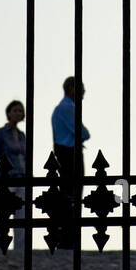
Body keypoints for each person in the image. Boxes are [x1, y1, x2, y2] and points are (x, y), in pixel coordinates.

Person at [51, 77, 89, 249]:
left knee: (71, 195)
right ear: (71, 89)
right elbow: (83, 133)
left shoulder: (67, 108)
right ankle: (68, 238)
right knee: (71, 195)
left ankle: (69, 237)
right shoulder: (66, 108)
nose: (83, 93)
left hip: (68, 153)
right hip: (68, 154)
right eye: (81, 89)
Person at [0, 101, 27, 251]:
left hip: (21, 178)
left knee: (21, 216)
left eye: (20, 111)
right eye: (15, 110)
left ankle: (20, 250)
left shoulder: (23, 135)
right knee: (3, 215)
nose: (18, 113)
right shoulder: (0, 133)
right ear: (9, 113)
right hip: (7, 178)